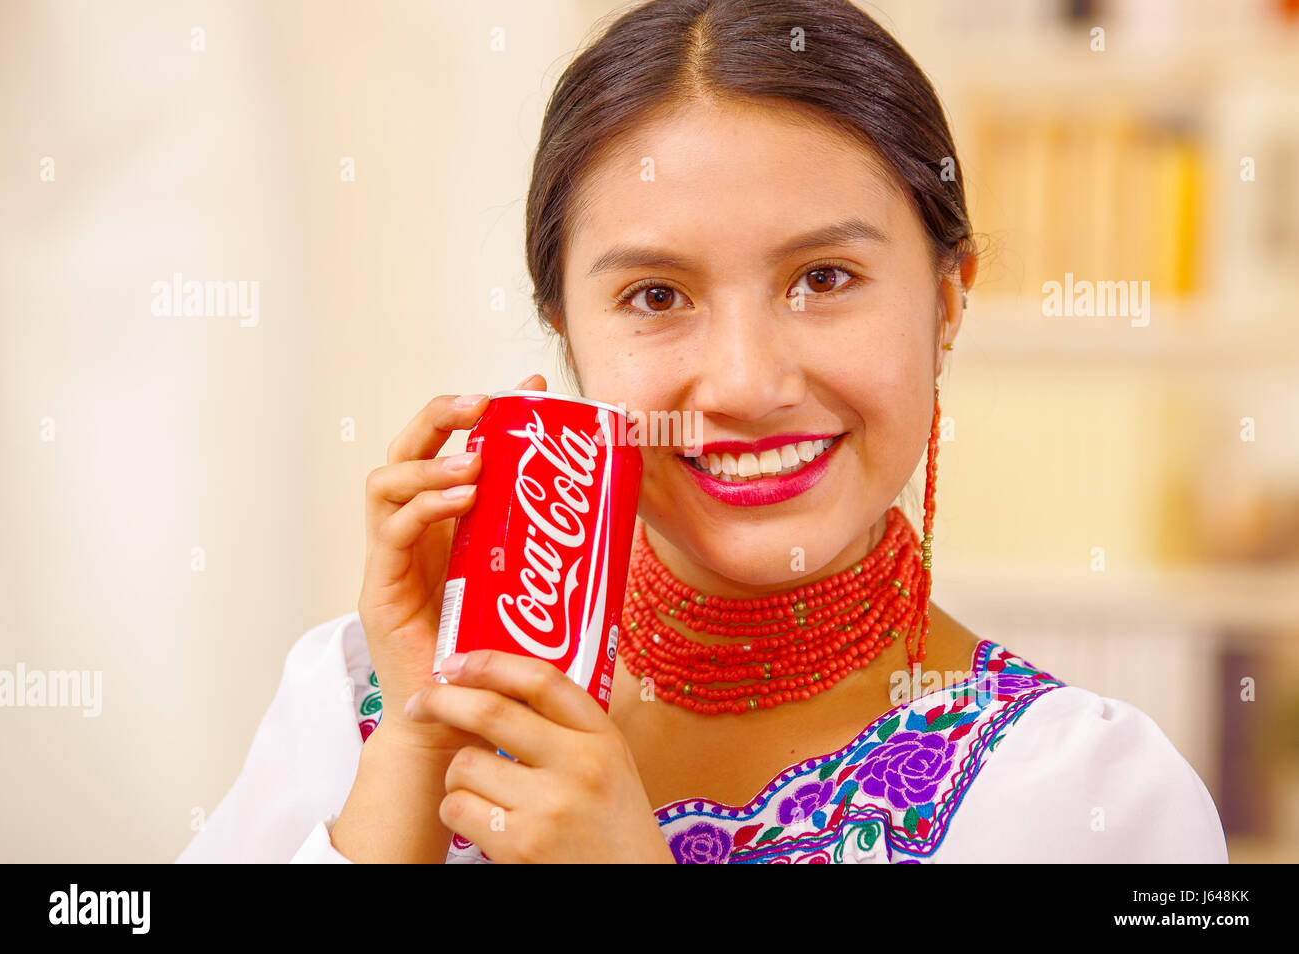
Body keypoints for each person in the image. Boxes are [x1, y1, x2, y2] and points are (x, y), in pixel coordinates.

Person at [177, 0, 1228, 864]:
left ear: (949, 299)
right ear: (564, 331)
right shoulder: (356, 692)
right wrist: (411, 760)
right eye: (654, 295)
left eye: (824, 279)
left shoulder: (1089, 798)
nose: (742, 383)